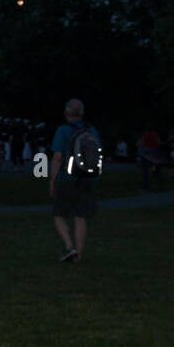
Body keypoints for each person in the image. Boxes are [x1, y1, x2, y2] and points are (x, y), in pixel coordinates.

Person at [51, 98, 101, 263]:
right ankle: (78, 254)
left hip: (67, 177)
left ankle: (69, 246)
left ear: (66, 114)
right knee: (80, 217)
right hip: (88, 177)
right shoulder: (92, 130)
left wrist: (52, 181)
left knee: (59, 214)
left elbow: (58, 157)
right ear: (82, 113)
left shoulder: (63, 130)